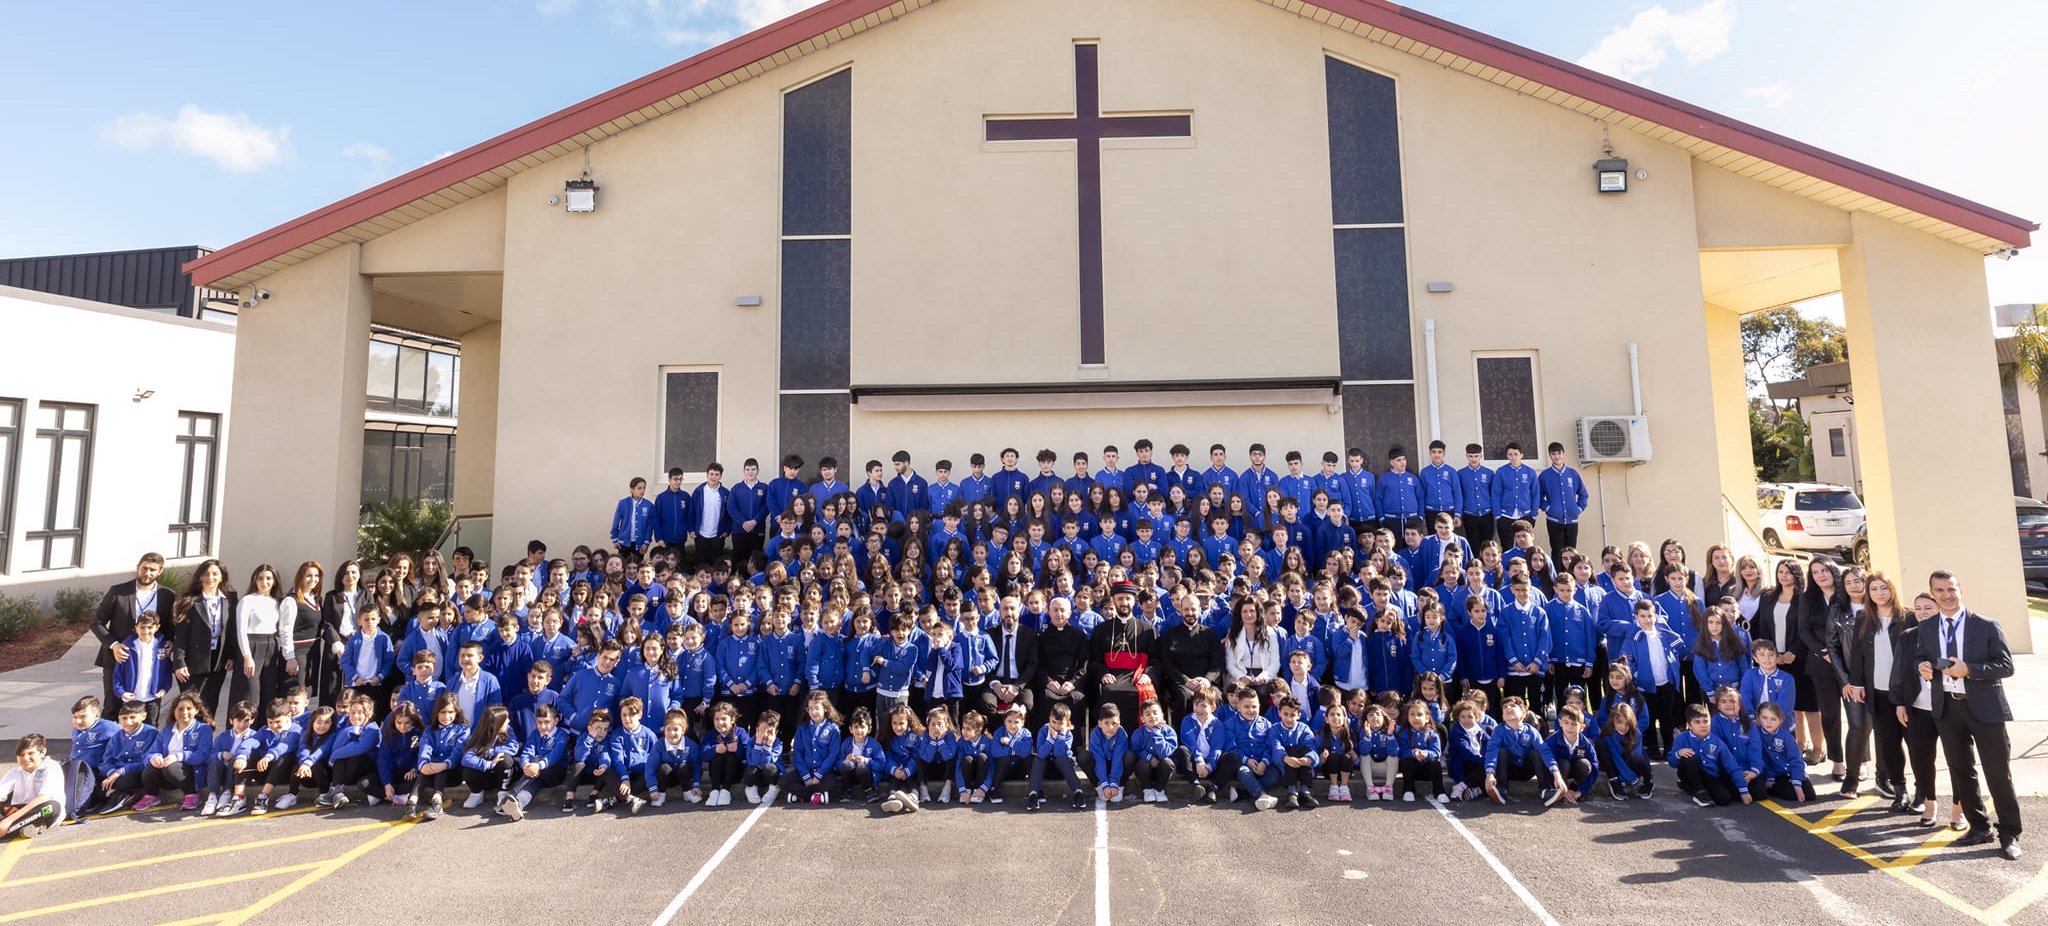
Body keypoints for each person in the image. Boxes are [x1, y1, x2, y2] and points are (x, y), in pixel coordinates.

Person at [1917, 570, 2023, 859]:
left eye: (1951, 589)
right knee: (1962, 770)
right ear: (1933, 594)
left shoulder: (1986, 625)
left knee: (1998, 772)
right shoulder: (1927, 628)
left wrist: (1970, 670)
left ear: (1961, 590)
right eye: (1939, 591)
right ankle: (1979, 827)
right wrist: (1923, 667)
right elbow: (1921, 656)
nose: (1946, 595)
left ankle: (2009, 832)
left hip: (1984, 707)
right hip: (1947, 707)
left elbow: (2005, 665)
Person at [93, 553, 175, 710]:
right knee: (112, 708)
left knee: (148, 711)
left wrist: (171, 641)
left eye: (153, 569)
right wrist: (114, 645)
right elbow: (97, 623)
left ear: (160, 571)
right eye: (144, 568)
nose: (147, 573)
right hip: (118, 659)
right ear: (138, 567)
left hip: (151, 662)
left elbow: (170, 625)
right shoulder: (118, 591)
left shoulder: (167, 595)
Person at [171, 559, 238, 722]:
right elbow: (180, 634)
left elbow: (231, 631)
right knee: (189, 704)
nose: (211, 577)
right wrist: (179, 662)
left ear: (222, 577)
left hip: (218, 661)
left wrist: (230, 655)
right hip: (192, 661)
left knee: (210, 704)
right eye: (206, 573)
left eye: (215, 574)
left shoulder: (230, 599)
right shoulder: (189, 599)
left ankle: (205, 741)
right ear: (200, 577)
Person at [233, 564, 290, 711]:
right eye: (260, 578)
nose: (264, 582)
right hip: (251, 647)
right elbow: (241, 630)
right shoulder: (247, 600)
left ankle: (265, 729)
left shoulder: (277, 602)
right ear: (255, 580)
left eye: (269, 578)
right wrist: (247, 656)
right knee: (250, 693)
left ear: (275, 581)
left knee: (269, 692)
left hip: (271, 646)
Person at [0, 735, 64, 841]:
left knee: (52, 807)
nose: (25, 758)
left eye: (30, 753)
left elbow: (43, 798)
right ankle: (30, 827)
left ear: (42, 752)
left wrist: (9, 820)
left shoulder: (51, 767)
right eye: (21, 755)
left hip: (41, 810)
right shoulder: (15, 772)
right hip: (20, 812)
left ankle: (9, 829)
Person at [1535, 443, 1588, 564]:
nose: (1556, 456)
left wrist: (1578, 509)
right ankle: (1558, 579)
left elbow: (1583, 494)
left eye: (1559, 453)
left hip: (1572, 520)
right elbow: (1538, 496)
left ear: (1563, 454)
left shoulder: (1573, 474)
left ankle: (1572, 578)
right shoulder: (1545, 475)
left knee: (1572, 553)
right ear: (1550, 456)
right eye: (1553, 454)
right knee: (1557, 551)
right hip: (1554, 520)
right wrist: (1548, 508)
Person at [612, 476, 656, 556]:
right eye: (639, 488)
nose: (642, 490)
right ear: (632, 489)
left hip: (640, 542)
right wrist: (615, 539)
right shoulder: (623, 503)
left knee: (637, 564)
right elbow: (616, 522)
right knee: (624, 564)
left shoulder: (649, 505)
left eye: (644, 488)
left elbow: (649, 526)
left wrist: (646, 542)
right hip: (624, 542)